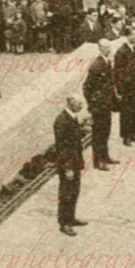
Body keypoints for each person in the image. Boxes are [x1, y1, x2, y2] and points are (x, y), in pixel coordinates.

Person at [82, 38, 118, 170]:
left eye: (109, 47)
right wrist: (93, 105)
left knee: (106, 132)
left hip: (106, 105)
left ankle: (105, 156)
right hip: (99, 107)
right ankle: (98, 162)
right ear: (100, 48)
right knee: (98, 135)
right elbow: (86, 88)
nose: (108, 50)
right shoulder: (97, 65)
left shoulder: (107, 62)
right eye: (105, 48)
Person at [53, 95, 86, 235]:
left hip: (75, 162)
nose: (81, 106)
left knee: (74, 191)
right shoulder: (62, 121)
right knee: (66, 193)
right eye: (79, 103)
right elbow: (62, 147)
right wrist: (67, 168)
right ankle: (64, 223)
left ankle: (71, 218)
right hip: (68, 165)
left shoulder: (72, 117)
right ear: (71, 103)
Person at [113, 27, 135, 145]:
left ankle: (133, 133)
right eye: (134, 35)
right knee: (126, 112)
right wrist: (119, 90)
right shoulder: (121, 51)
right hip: (127, 88)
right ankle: (126, 136)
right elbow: (117, 72)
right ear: (128, 36)